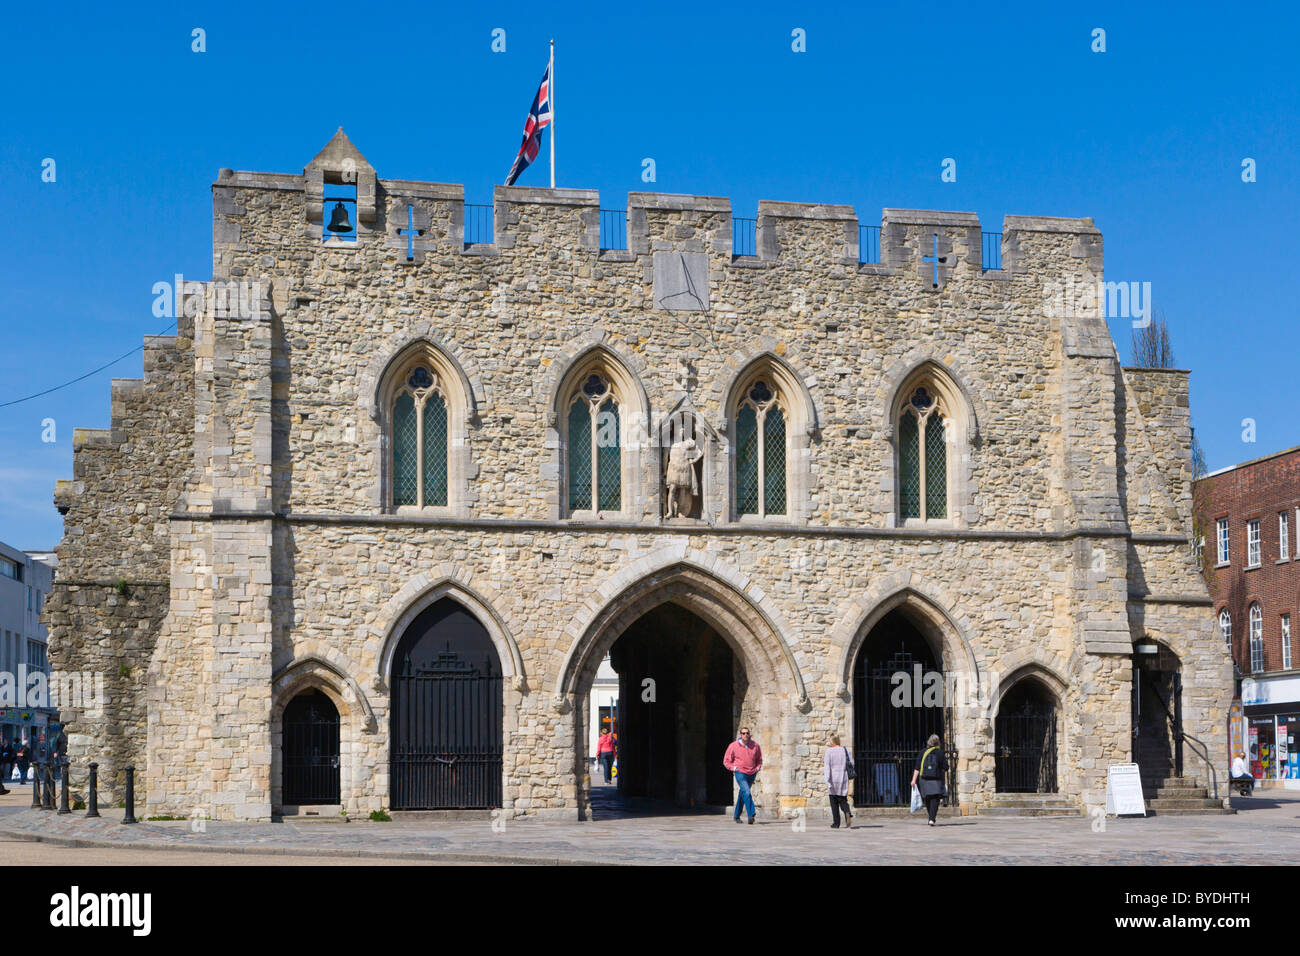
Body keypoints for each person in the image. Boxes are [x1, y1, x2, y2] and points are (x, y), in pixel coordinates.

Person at [723, 727, 762, 824]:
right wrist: (733, 768)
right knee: (747, 791)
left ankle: (736, 816)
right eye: (743, 733)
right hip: (740, 772)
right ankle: (751, 815)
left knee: (743, 793)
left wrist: (758, 768)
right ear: (740, 735)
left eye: (747, 733)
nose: (745, 735)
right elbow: (726, 761)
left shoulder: (755, 746)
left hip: (752, 773)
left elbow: (759, 759)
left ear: (749, 734)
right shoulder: (733, 746)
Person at [910, 733, 948, 827]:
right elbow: (946, 767)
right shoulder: (940, 753)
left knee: (927, 798)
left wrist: (913, 780)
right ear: (938, 742)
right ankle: (932, 818)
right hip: (936, 779)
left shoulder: (923, 752)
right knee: (935, 798)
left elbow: (917, 767)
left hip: (924, 779)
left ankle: (931, 817)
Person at [824, 735, 853, 829]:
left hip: (833, 778)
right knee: (842, 799)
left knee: (833, 801)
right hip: (843, 777)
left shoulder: (829, 751)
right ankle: (847, 811)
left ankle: (836, 823)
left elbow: (827, 766)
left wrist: (827, 780)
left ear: (833, 742)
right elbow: (852, 763)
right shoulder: (845, 750)